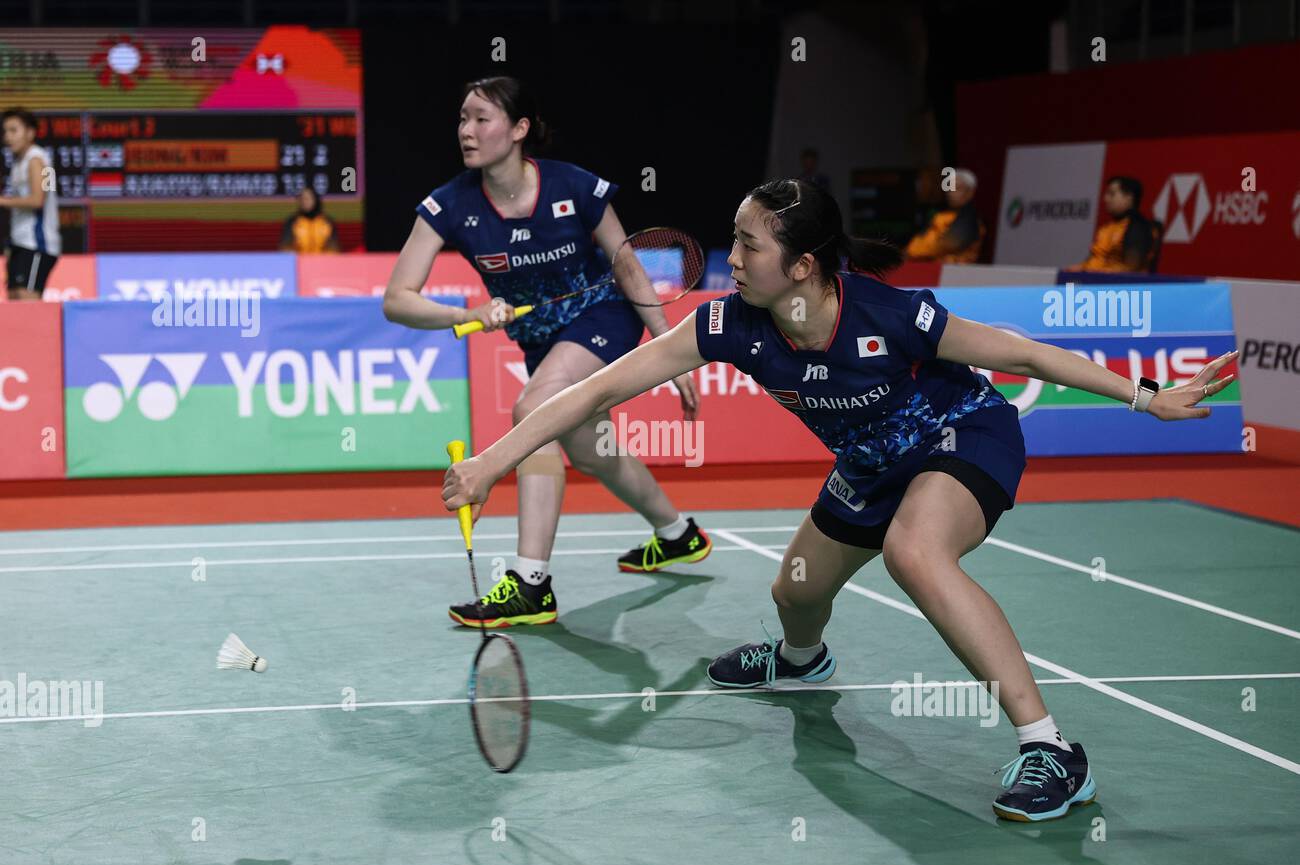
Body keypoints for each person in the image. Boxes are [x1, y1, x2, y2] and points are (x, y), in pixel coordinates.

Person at [442, 176, 1238, 821]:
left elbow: (1024, 352)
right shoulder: (730, 326)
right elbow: (592, 393)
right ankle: (800, 663)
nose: (734, 255)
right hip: (869, 463)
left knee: (914, 552)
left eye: (749, 244)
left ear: (803, 266)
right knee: (795, 592)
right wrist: (491, 461)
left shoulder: (890, 315)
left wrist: (1146, 396)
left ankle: (1052, 749)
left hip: (960, 436)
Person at [384, 76, 710, 628]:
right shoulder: (450, 205)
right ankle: (678, 535)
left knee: (533, 409)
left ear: (518, 129)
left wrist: (665, 341)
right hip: (543, 342)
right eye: (462, 118)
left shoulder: (575, 187)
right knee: (589, 452)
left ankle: (531, 584)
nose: (466, 130)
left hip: (605, 317)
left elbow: (627, 263)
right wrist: (466, 315)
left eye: (481, 118)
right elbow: (398, 299)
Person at [1, 108, 61, 300]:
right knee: (15, 301)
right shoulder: (19, 162)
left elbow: (38, 200)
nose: (8, 137)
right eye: (5, 131)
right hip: (20, 243)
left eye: (13, 130)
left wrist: (2, 201)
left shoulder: (36, 159)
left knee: (28, 304)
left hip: (37, 244)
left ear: (30, 132)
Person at [1069, 176, 1157, 273]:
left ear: (1128, 197)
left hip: (1116, 286)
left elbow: (1131, 269)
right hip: (1090, 283)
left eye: (1112, 194)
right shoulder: (1106, 228)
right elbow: (1094, 259)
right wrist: (1080, 268)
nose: (1105, 199)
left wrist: (1097, 273)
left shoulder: (1138, 227)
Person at [904, 167, 983, 264]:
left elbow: (946, 245)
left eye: (957, 188)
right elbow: (920, 239)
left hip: (954, 273)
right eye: (949, 188)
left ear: (970, 192)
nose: (951, 193)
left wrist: (914, 251)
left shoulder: (969, 221)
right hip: (926, 267)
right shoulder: (941, 216)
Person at [279, 186, 340, 253]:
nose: (305, 202)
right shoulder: (292, 222)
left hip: (322, 261)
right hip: (300, 261)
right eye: (302, 199)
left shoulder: (326, 221)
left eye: (308, 198)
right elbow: (285, 247)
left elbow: (333, 247)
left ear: (315, 200)